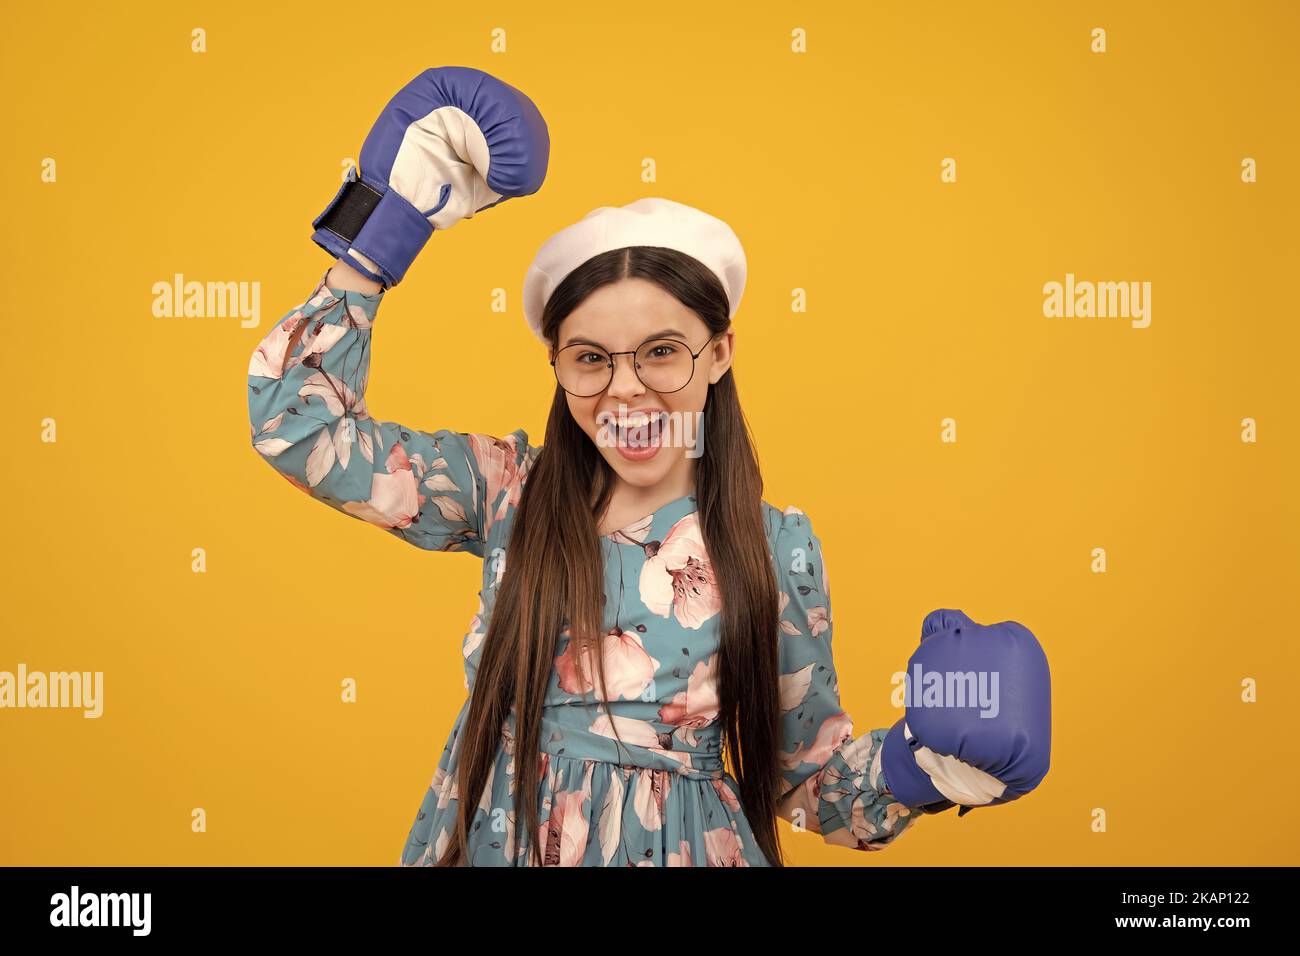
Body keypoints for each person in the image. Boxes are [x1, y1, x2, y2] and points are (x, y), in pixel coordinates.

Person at [246, 66, 1052, 867]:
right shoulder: (506, 491)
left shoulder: (776, 549)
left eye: (662, 352)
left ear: (719, 353)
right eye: (591, 358)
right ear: (557, 365)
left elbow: (812, 785)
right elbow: (297, 427)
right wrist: (377, 234)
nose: (625, 389)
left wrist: (924, 762)